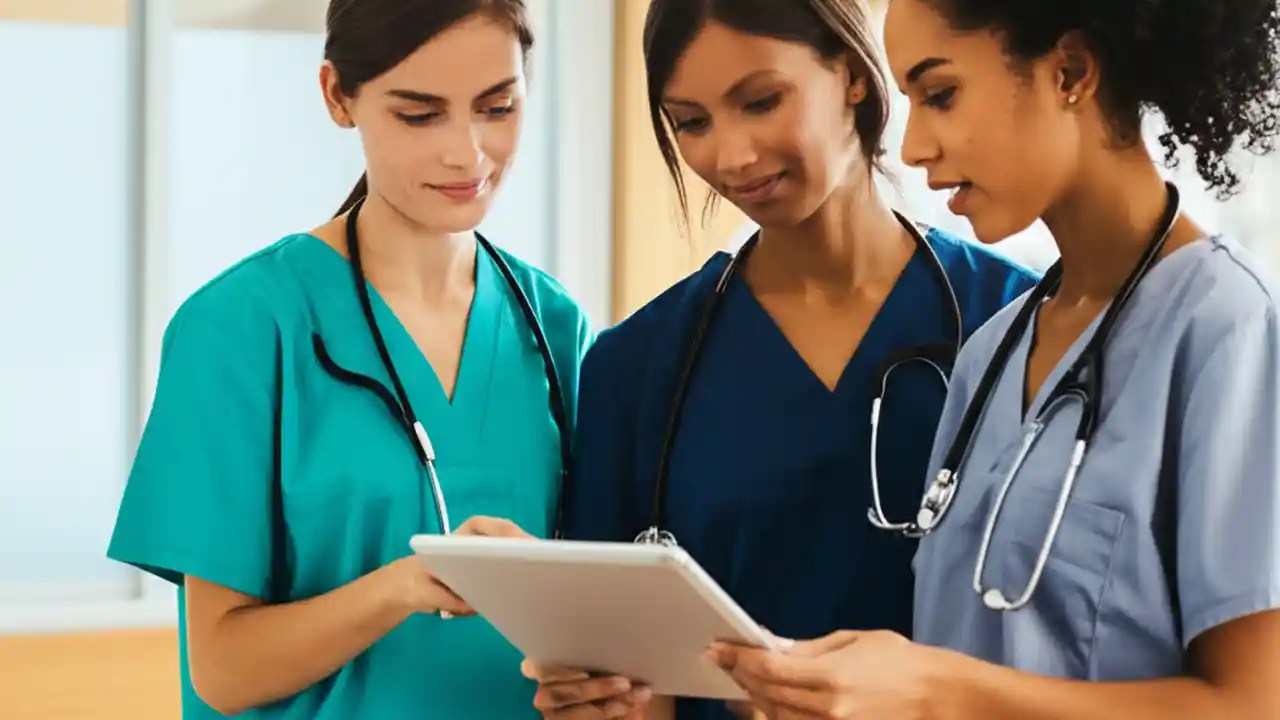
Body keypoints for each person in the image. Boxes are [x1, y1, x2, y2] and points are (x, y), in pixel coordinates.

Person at [709, 0, 1280, 717]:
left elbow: (1255, 704)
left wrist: (933, 691)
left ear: (1069, 71)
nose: (913, 146)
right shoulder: (990, 354)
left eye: (940, 94)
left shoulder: (1226, 330)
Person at [523, 1, 1037, 718]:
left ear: (853, 75)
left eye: (761, 101)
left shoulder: (1024, 323)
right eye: (692, 122)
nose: (731, 156)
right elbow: (616, 669)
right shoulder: (634, 370)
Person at [106, 1, 591, 718]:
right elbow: (223, 671)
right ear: (338, 96)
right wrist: (400, 586)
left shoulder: (552, 326)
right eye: (420, 115)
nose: (468, 152)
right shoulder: (241, 328)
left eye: (497, 106)